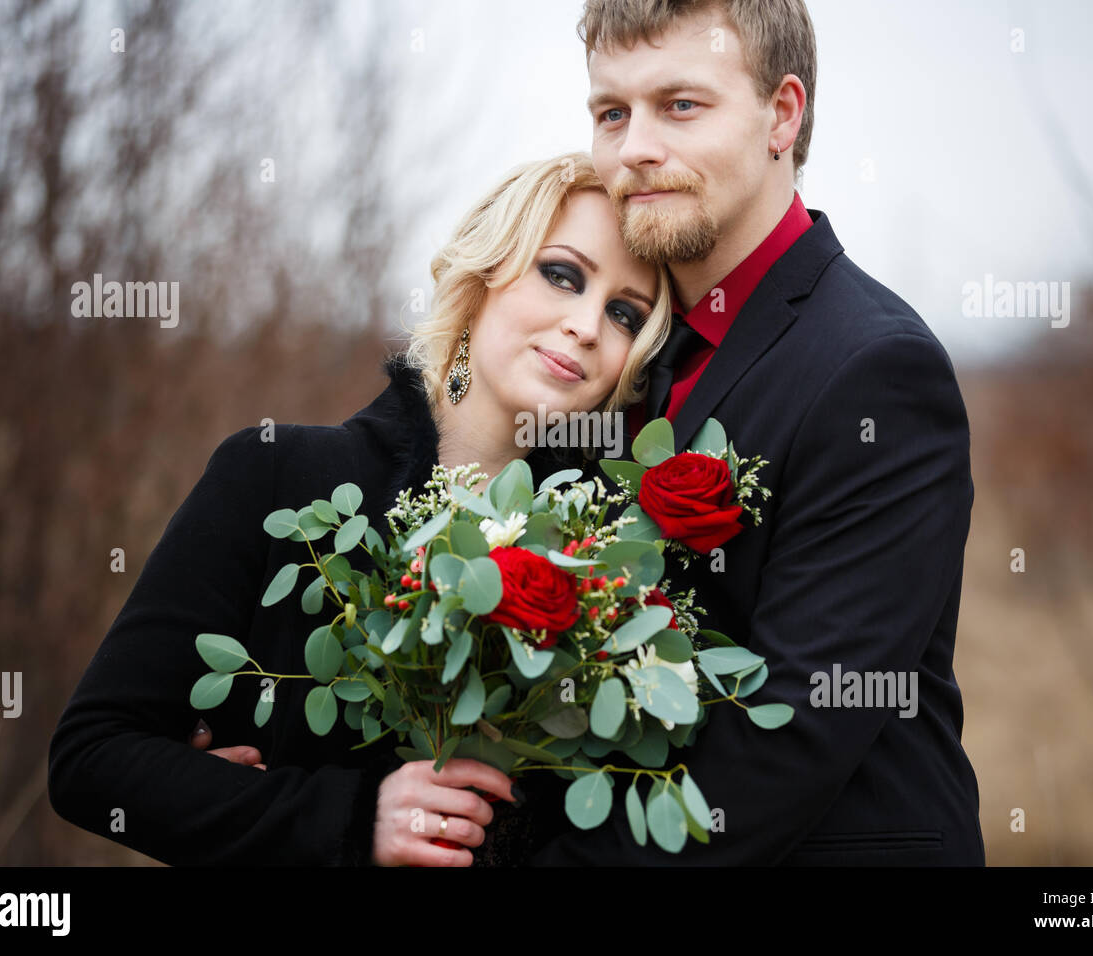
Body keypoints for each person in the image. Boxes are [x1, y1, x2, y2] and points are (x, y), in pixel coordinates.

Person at [46, 151, 673, 867]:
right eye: (562, 275)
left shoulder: (606, 573)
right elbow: (92, 759)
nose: (588, 326)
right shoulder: (278, 476)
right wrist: (351, 819)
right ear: (484, 274)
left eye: (627, 314)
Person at [519, 0, 985, 864]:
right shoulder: (611, 349)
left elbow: (794, 735)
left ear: (782, 114)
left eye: (680, 106)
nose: (635, 149)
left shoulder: (878, 369)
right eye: (611, 113)